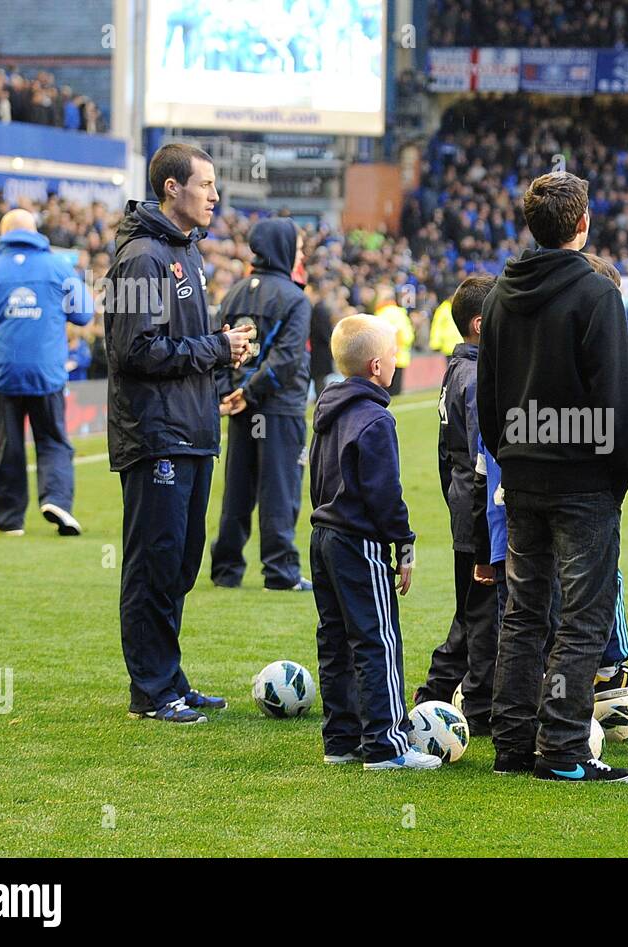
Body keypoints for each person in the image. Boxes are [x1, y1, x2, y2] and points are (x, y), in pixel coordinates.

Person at [477, 171, 628, 783]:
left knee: (522, 612)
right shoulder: (597, 294)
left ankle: (513, 746)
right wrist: (620, 470)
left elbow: (488, 399)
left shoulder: (498, 294)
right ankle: (564, 749)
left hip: (521, 474)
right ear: (583, 223)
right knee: (581, 617)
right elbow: (614, 396)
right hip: (582, 481)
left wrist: (511, 454)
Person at [106, 142, 255, 725]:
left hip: (192, 429)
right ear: (173, 188)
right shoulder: (141, 257)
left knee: (182, 561)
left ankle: (170, 676)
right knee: (154, 562)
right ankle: (150, 691)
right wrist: (214, 347)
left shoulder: (187, 253)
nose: (215, 196)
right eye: (206, 184)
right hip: (156, 435)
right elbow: (133, 350)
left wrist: (224, 361)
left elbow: (179, 349)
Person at [309, 314, 441, 771]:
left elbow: (316, 477)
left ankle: (342, 740)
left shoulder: (327, 408)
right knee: (377, 639)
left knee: (335, 639)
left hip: (321, 536)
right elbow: (385, 495)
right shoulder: (376, 419)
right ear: (377, 366)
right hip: (357, 542)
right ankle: (386, 746)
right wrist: (403, 545)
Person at [0, 208, 93, 537]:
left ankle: (9, 520)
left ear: (4, 233)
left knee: (8, 446)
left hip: (2, 374)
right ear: (34, 231)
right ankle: (57, 500)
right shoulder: (58, 268)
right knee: (53, 441)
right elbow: (83, 314)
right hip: (46, 374)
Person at [413, 274, 500, 735]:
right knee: (483, 614)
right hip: (479, 514)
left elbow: (448, 457)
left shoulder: (456, 369)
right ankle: (480, 705)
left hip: (463, 507)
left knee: (472, 611)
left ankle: (436, 690)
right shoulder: (476, 376)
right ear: (482, 325)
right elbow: (481, 458)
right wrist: (486, 530)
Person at [210, 217, 313, 592]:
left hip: (240, 409)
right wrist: (251, 392)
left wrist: (230, 393)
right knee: (280, 490)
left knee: (237, 489)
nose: (301, 253)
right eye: (298, 247)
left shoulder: (234, 293)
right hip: (278, 408)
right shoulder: (294, 298)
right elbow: (286, 360)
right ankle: (280, 572)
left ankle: (226, 569)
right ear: (284, 249)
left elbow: (218, 349)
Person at [374, 285, 413, 395]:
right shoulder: (398, 311)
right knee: (396, 390)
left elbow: (394, 332)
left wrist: (394, 351)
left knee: (389, 391)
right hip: (400, 353)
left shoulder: (385, 312)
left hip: (390, 354)